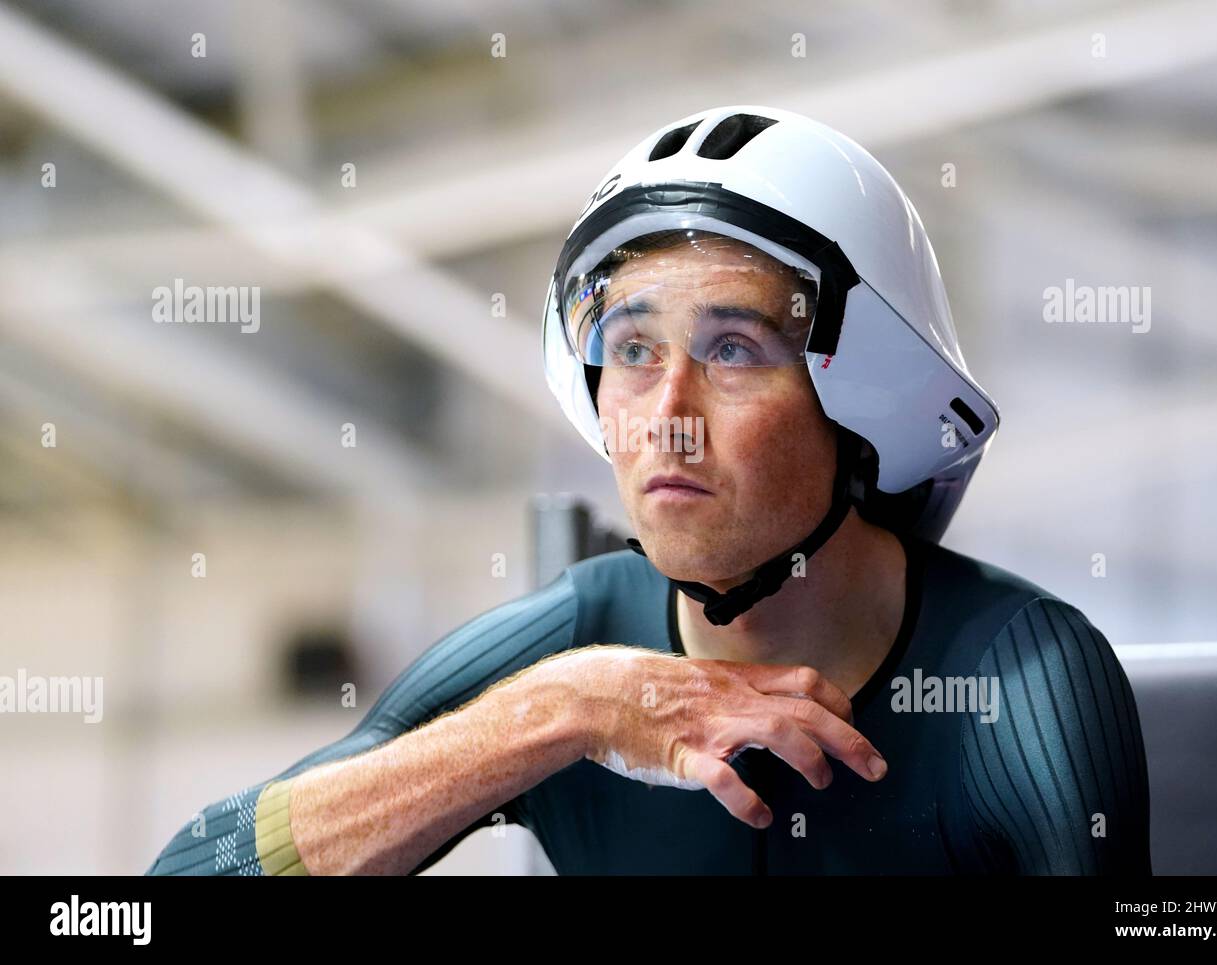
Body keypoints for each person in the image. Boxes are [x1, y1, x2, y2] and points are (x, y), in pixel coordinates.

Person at [146, 105, 1151, 875]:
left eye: (731, 348)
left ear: (866, 404)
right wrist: (557, 710)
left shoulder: (1021, 672)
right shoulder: (569, 648)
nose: (664, 412)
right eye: (630, 347)